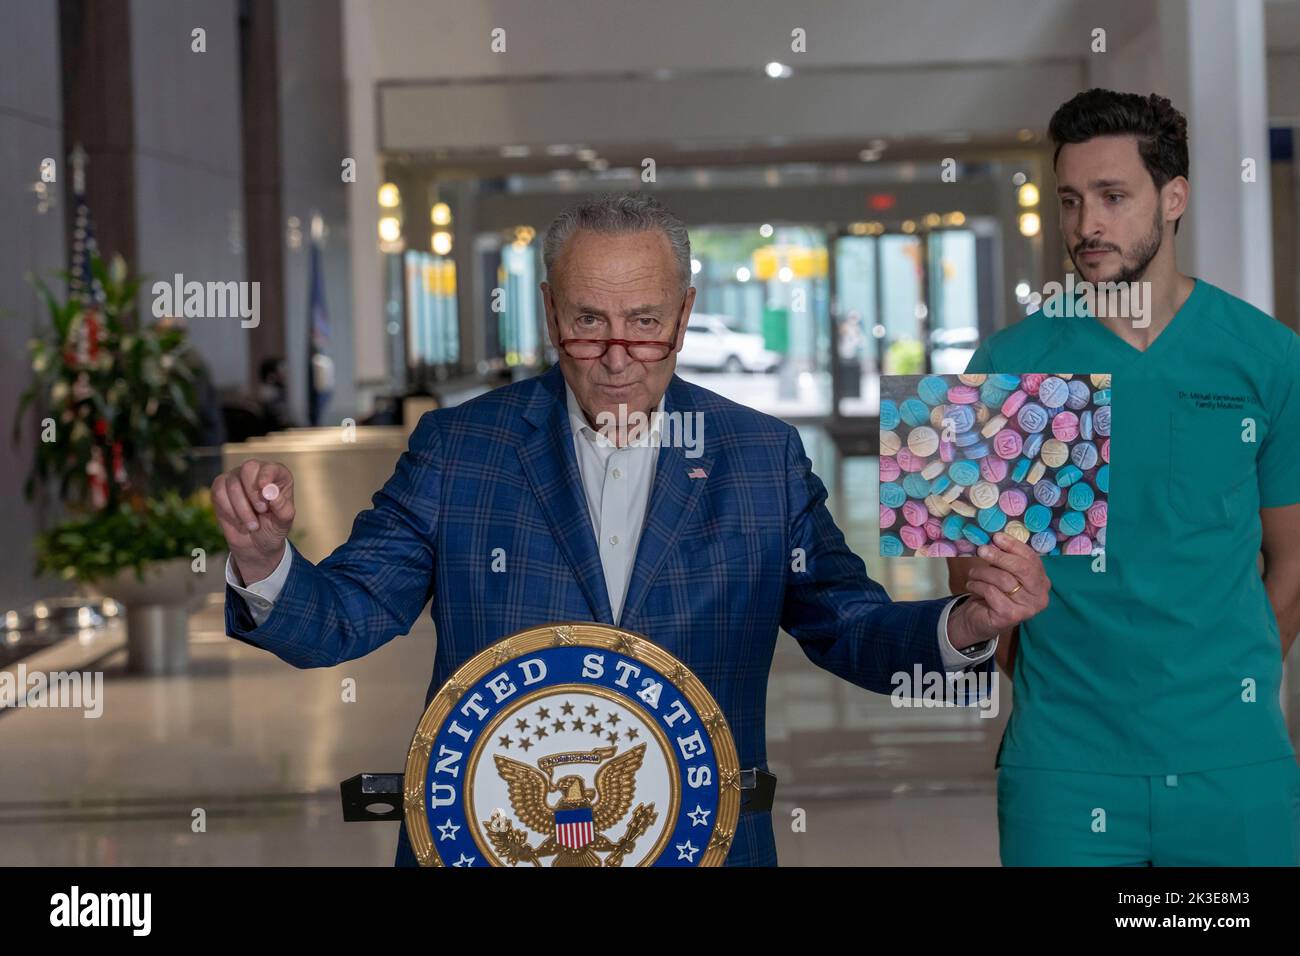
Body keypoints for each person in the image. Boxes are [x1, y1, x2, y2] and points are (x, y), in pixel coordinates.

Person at [215, 192, 1049, 866]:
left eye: (645, 324)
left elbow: (850, 628)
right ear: (549, 310)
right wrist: (266, 561)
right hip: (489, 846)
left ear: (684, 315)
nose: (617, 356)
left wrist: (964, 627)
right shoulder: (458, 449)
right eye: (588, 322)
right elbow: (347, 614)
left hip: (706, 843)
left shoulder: (761, 458)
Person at [949, 89, 1300, 866]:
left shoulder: (1268, 356)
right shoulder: (1008, 365)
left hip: (1233, 763)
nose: (1087, 225)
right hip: (1064, 766)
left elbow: (1295, 556)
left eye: (1113, 196)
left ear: (1173, 198)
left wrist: (1229, 681)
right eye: (1070, 200)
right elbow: (972, 577)